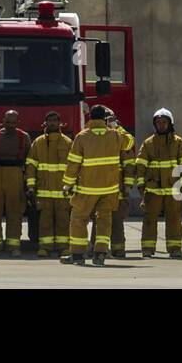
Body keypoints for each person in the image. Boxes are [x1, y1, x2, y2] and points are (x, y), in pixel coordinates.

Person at [62, 105, 123, 266]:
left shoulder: (82, 137)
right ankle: (100, 254)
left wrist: (67, 185)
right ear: (104, 119)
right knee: (104, 221)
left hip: (87, 189)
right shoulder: (115, 135)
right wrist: (115, 126)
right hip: (109, 189)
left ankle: (77, 255)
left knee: (78, 220)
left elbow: (73, 163)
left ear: (90, 118)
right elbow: (129, 142)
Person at [138, 107, 182, 258]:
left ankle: (175, 249)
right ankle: (147, 249)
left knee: (174, 220)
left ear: (170, 124)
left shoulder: (179, 143)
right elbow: (141, 166)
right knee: (149, 220)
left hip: (173, 191)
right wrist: (142, 189)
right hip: (153, 190)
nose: (161, 125)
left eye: (164, 122)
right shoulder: (148, 144)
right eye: (158, 122)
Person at [0, 110, 30, 256]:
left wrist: (28, 183)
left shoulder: (24, 137)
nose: (10, 125)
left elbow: (29, 162)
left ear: (18, 122)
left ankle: (13, 245)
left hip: (16, 173)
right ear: (3, 121)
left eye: (13, 123)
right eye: (8, 122)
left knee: (15, 211)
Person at [25, 111, 72, 257]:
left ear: (59, 123)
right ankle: (45, 247)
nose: (52, 123)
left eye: (54, 120)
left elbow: (74, 165)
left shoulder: (67, 142)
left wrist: (73, 186)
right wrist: (31, 186)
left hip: (62, 191)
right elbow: (31, 165)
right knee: (44, 221)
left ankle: (63, 247)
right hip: (44, 191)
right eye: (49, 120)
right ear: (45, 123)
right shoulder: (38, 142)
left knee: (63, 220)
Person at [106, 110, 138, 258]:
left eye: (111, 121)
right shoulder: (94, 137)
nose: (108, 124)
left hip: (118, 190)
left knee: (117, 222)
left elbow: (129, 165)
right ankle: (98, 249)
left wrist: (127, 186)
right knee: (101, 221)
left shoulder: (121, 139)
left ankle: (118, 250)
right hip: (101, 190)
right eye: (107, 120)